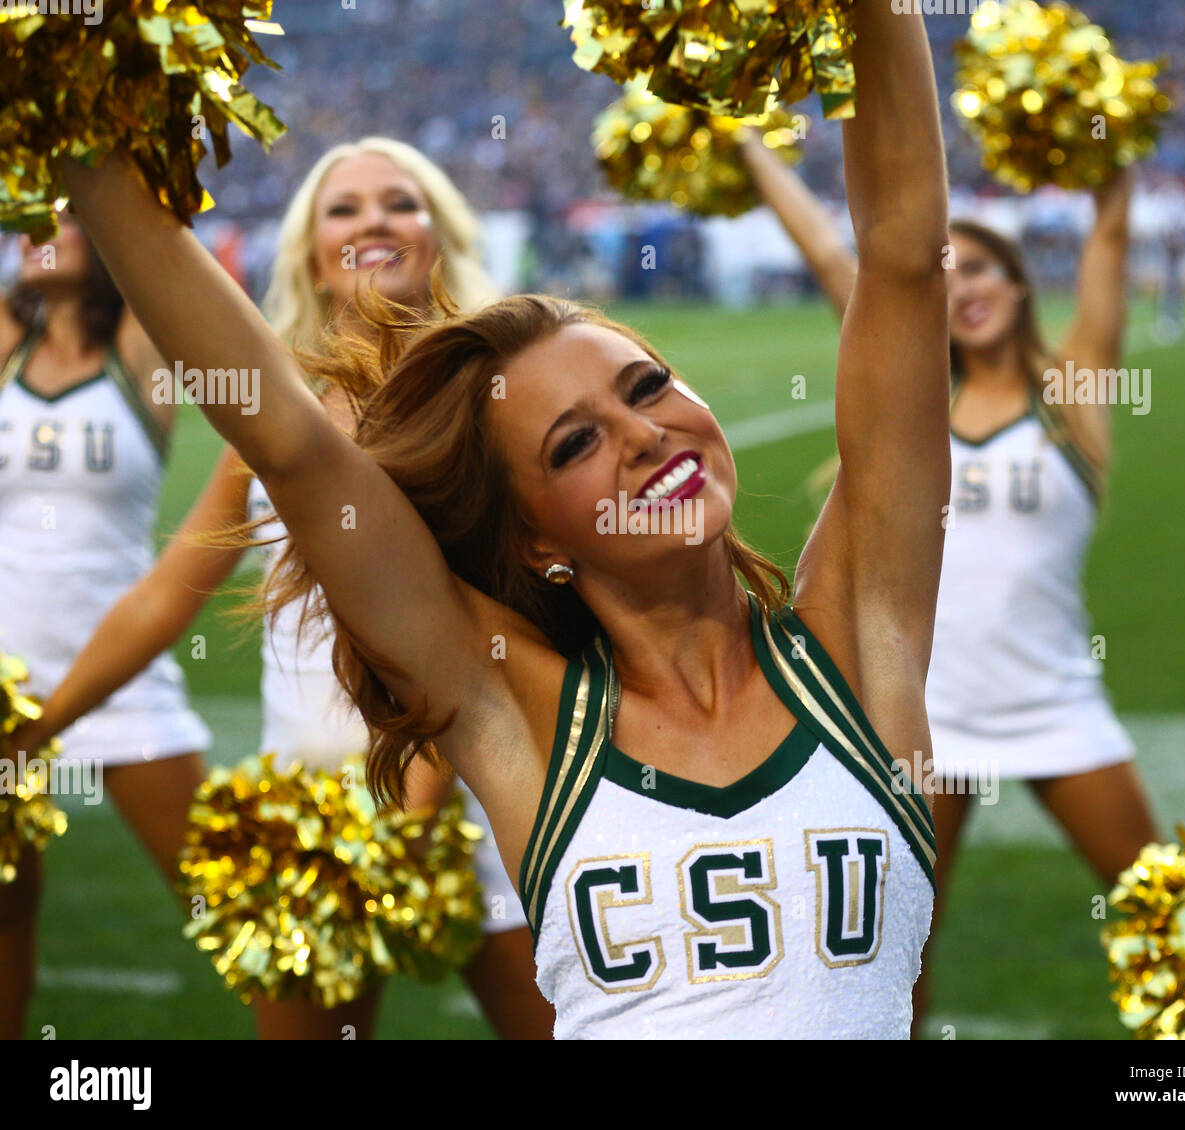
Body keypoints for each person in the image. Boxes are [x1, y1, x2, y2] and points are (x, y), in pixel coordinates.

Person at [60, 1, 947, 1038]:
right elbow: (294, 448)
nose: (644, 434)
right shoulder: (514, 712)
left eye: (649, 384)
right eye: (573, 444)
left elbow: (901, 260)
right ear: (535, 540)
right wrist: (73, 121)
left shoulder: (859, 642)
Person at [7, 138, 554, 1040]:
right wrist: (39, 728)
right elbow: (165, 596)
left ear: (442, 234)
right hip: (309, 827)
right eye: (343, 209)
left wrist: (411, 814)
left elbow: (490, 634)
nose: (373, 220)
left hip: (491, 805)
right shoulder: (275, 416)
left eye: (399, 202)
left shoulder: (497, 398)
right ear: (308, 252)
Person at [748, 137, 1161, 1035]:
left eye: (979, 267)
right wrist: (749, 148)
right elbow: (831, 252)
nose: (963, 286)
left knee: (1167, 905)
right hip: (920, 713)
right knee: (901, 945)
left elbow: (1112, 232)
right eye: (943, 274)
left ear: (1016, 283)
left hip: (1056, 701)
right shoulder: (910, 405)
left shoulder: (1073, 395)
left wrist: (1103, 134)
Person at [0, 219, 212, 1039]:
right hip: (4, 691)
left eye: (65, 217)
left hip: (123, 682)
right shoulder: (10, 345)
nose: (39, 228)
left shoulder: (141, 347)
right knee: (7, 926)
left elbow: (163, 235)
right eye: (29, 216)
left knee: (225, 902)